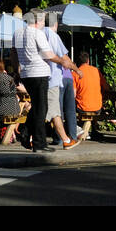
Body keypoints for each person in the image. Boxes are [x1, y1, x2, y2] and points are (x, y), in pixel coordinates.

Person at [14, 11, 74, 153]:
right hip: (39, 74)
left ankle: (25, 134)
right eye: (42, 21)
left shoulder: (17, 33)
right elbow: (47, 54)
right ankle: (39, 144)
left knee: (36, 106)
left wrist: (18, 71)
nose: (43, 24)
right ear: (37, 21)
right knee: (42, 109)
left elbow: (13, 53)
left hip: (26, 74)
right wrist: (62, 61)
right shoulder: (37, 33)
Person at [43, 19, 79, 150]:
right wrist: (76, 69)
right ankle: (71, 137)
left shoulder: (43, 34)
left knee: (57, 110)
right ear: (56, 24)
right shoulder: (52, 35)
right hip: (66, 76)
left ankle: (59, 138)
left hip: (56, 78)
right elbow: (65, 58)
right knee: (68, 109)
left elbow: (63, 58)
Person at [72, 53, 103, 139]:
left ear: (78, 62)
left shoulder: (75, 74)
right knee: (91, 110)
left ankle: (83, 132)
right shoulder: (96, 71)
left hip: (82, 108)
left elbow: (73, 94)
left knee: (76, 107)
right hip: (98, 107)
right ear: (88, 61)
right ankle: (93, 131)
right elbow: (106, 87)